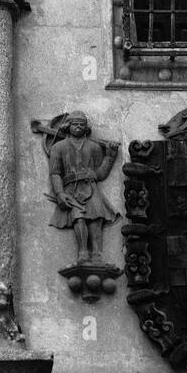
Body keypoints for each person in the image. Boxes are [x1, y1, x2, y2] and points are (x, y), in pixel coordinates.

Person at [45, 112, 120, 265]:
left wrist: (110, 157)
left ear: (86, 127)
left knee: (96, 218)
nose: (78, 127)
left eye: (82, 124)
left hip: (91, 188)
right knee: (78, 218)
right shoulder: (58, 147)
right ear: (68, 126)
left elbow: (100, 174)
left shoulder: (94, 147)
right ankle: (83, 253)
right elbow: (55, 173)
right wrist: (59, 193)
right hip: (72, 189)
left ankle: (97, 255)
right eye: (75, 124)